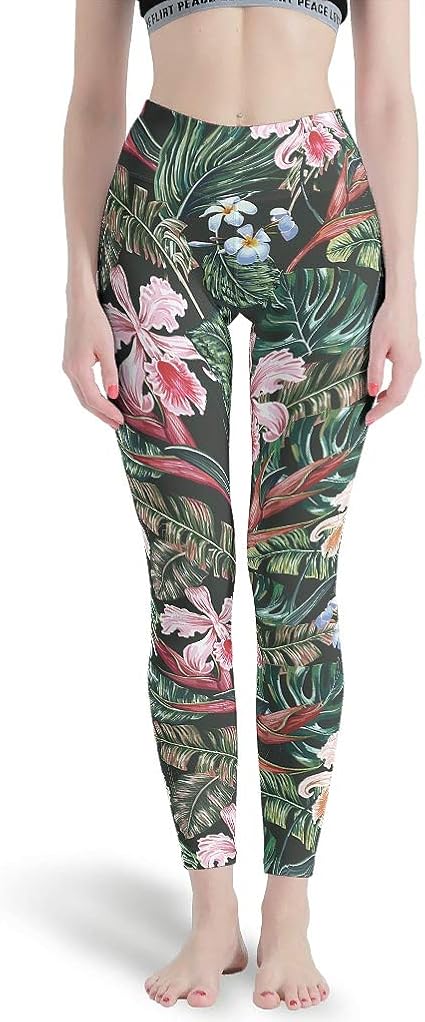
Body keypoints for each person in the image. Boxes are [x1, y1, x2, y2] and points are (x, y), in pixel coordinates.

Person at [62, 0, 420, 1010]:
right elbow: (93, 99)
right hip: (157, 215)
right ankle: (210, 907)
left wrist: (404, 288)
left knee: (298, 581)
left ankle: (289, 908)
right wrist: (78, 293)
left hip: (323, 216)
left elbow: (386, 94)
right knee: (191, 584)